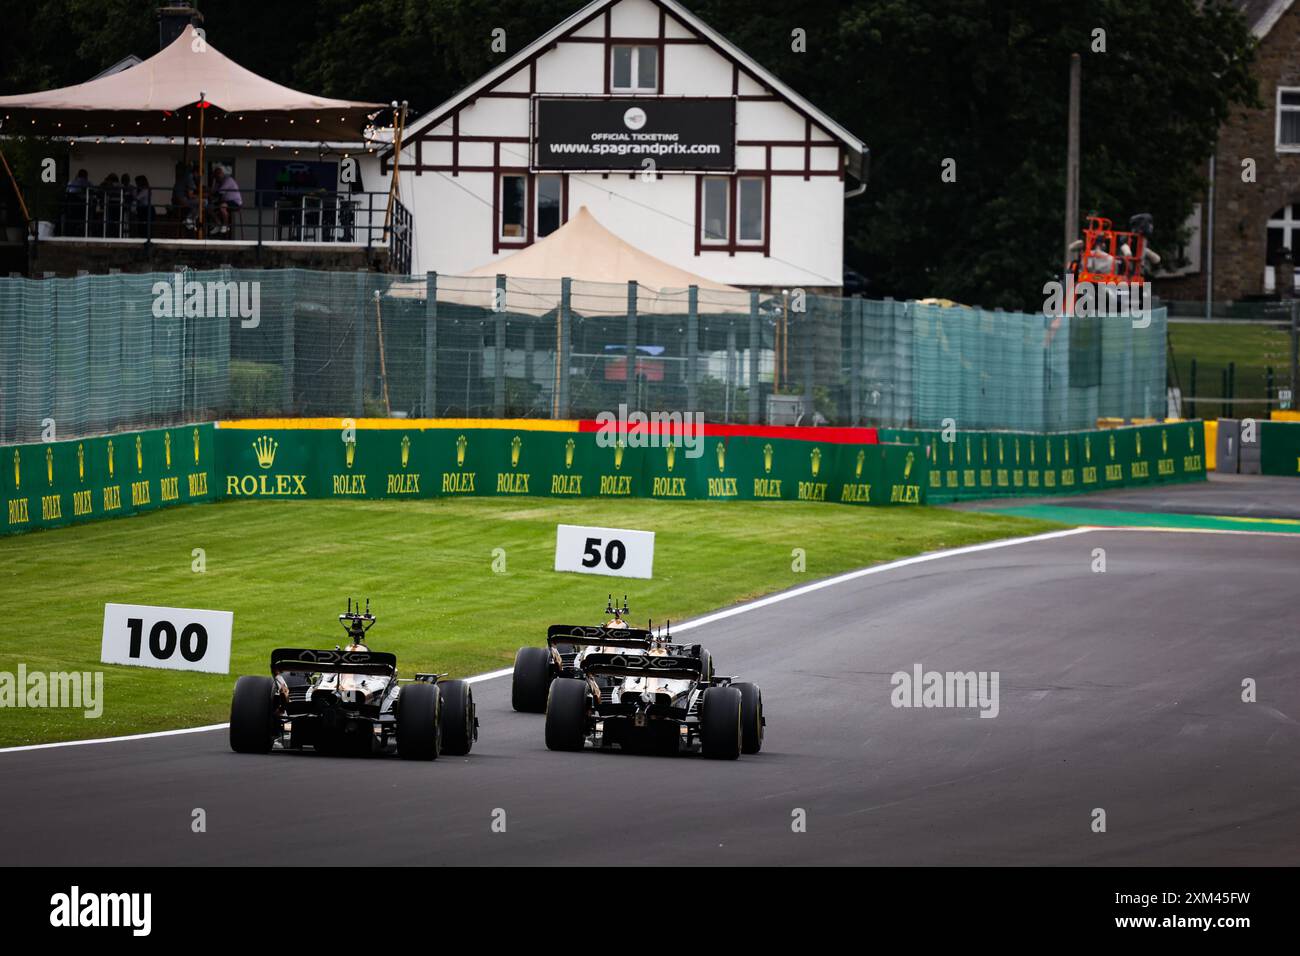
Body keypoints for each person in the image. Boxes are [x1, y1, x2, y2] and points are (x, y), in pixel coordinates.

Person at [209, 165, 243, 236]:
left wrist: (212, 195)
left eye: (218, 174)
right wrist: (214, 182)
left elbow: (218, 193)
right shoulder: (218, 182)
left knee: (222, 207)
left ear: (222, 174)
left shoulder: (228, 180)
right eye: (215, 175)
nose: (217, 176)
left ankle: (225, 226)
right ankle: (218, 224)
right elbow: (213, 192)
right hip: (225, 201)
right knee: (209, 207)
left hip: (235, 202)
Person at [63, 169, 92, 237]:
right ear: (86, 176)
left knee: (71, 221)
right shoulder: (86, 182)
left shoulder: (71, 182)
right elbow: (94, 190)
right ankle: (84, 233)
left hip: (70, 206)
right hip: (82, 206)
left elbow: (66, 193)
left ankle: (69, 234)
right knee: (84, 219)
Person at [171, 160, 197, 230]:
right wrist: (201, 196)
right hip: (181, 201)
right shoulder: (189, 177)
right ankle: (189, 219)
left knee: (196, 204)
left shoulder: (180, 177)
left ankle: (191, 220)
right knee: (204, 202)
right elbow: (190, 195)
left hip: (175, 200)